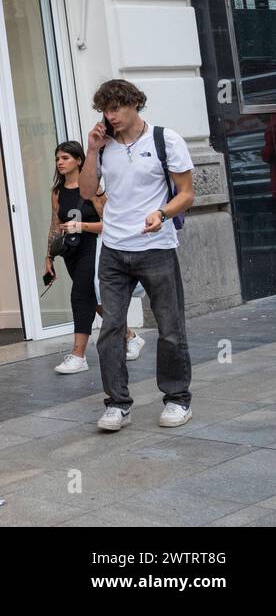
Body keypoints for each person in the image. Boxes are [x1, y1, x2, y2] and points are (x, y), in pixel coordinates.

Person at [78, 78, 195, 431]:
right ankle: (117, 404)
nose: (110, 116)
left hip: (155, 248)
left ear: (134, 105)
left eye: (116, 108)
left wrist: (162, 214)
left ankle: (177, 399)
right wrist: (93, 150)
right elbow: (86, 191)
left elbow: (187, 193)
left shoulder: (165, 140)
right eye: (105, 110)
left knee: (170, 327)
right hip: (114, 250)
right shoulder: (105, 146)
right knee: (111, 330)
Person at [47, 141, 144, 374]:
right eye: (58, 159)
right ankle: (130, 337)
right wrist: (48, 256)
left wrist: (81, 226)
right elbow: (55, 225)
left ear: (79, 160)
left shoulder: (93, 189)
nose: (60, 162)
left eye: (65, 158)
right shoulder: (57, 192)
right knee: (95, 302)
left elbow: (110, 224)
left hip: (94, 248)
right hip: (71, 253)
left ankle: (78, 355)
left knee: (80, 296)